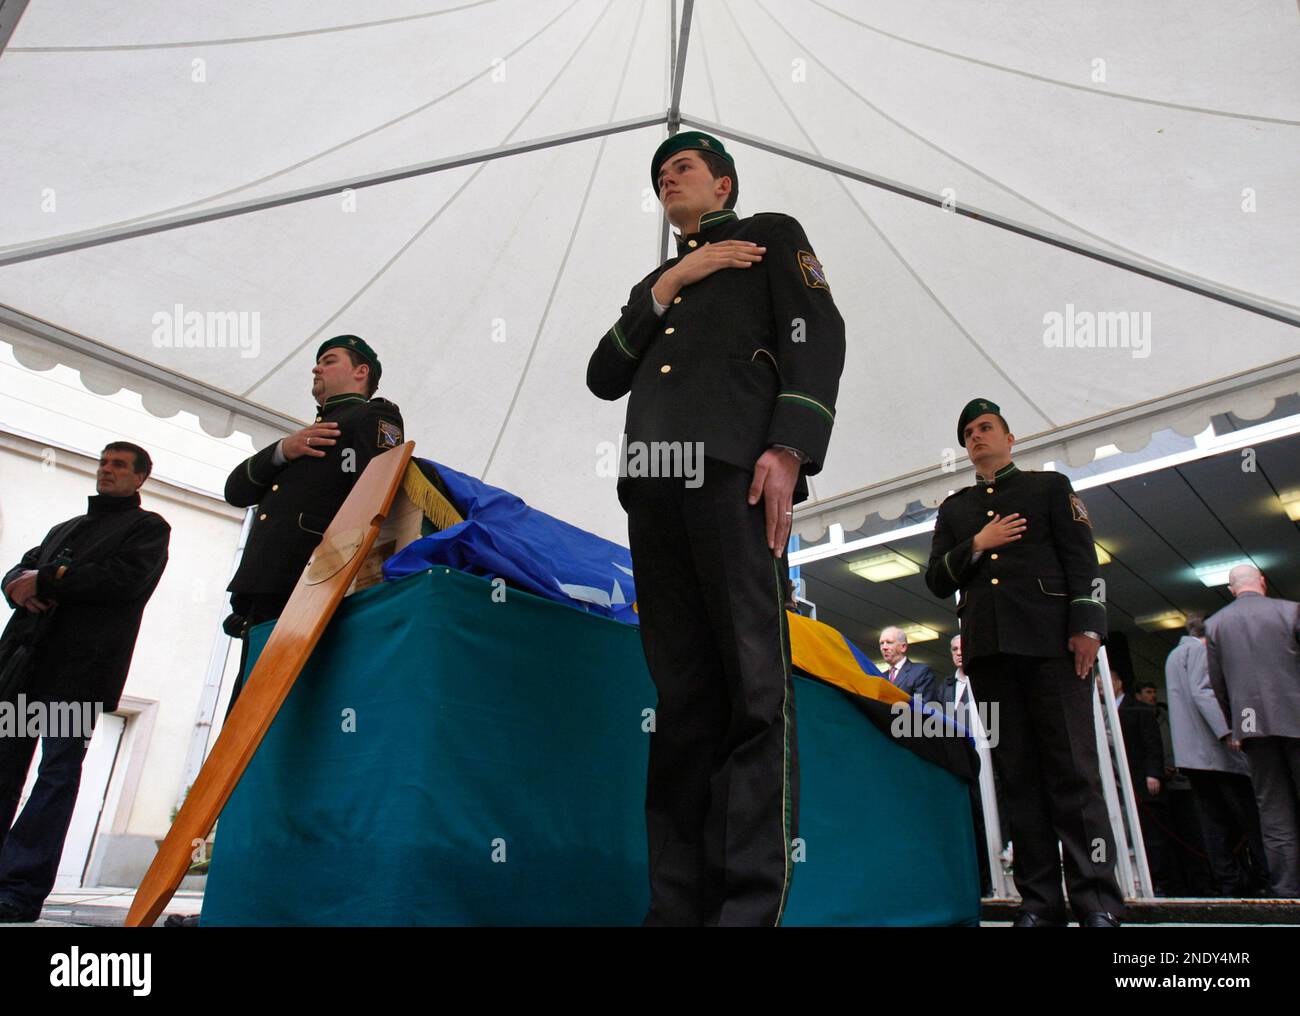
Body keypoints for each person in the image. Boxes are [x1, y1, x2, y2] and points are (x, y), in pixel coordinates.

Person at [586, 131, 845, 926]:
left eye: (684, 168)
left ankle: (744, 910)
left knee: (751, 689)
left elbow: (819, 334)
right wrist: (674, 279)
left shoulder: (770, 235)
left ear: (724, 185)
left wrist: (790, 447)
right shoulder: (659, 281)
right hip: (656, 486)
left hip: (732, 471)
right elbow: (603, 375)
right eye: (660, 176)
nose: (669, 180)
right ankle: (675, 911)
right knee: (683, 698)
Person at [924, 398, 1122, 926]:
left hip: (1051, 646)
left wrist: (1087, 627)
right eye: (968, 432)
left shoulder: (1048, 488)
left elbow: (1083, 558)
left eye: (986, 428)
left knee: (1073, 772)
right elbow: (937, 579)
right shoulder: (955, 508)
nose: (976, 437)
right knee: (1018, 777)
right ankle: (1039, 902)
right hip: (989, 654)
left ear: (1010, 439)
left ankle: (1097, 900)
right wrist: (977, 544)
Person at [0, 443, 169, 922]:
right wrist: (18, 582)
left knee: (54, 777)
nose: (106, 471)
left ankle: (18, 889)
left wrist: (47, 580)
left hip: (75, 676)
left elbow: (124, 580)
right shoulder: (65, 529)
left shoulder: (148, 528)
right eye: (103, 463)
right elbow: (21, 568)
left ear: (140, 478)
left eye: (119, 465)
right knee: (4, 770)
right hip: (24, 670)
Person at [223, 335, 404, 704]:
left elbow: (378, 488)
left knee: (279, 704)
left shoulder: (373, 415)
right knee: (247, 703)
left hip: (312, 579)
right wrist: (281, 451)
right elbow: (235, 491)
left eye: (329, 360)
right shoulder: (302, 439)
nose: (316, 367)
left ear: (361, 371)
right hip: (269, 585)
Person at [1206, 564, 1300, 898]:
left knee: (1274, 811)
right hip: (1297, 720)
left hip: (1252, 728)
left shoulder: (1215, 625)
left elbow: (1218, 686)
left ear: (1231, 589)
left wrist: (1237, 727)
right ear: (1262, 582)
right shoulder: (1290, 612)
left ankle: (1288, 889)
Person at [1166, 612, 1269, 896]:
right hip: (1214, 752)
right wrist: (1228, 731)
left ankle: (1228, 880)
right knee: (1247, 815)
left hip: (1192, 755)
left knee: (1212, 820)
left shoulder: (1175, 655)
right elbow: (1204, 692)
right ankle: (1264, 874)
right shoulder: (1199, 650)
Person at [932, 634, 992, 895]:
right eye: (953, 648)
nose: (958, 652)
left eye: (962, 647)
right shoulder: (945, 687)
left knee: (990, 821)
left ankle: (995, 879)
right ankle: (976, 883)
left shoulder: (989, 681)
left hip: (989, 764)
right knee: (968, 823)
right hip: (960, 764)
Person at [878, 626, 936, 703]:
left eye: (889, 642)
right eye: (881, 643)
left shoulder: (921, 672)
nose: (884, 647)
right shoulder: (880, 677)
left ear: (903, 647)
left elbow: (920, 707)